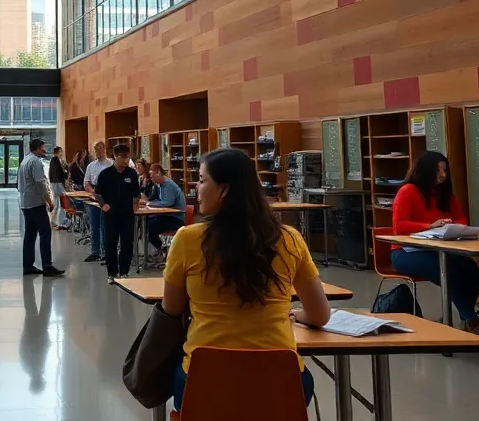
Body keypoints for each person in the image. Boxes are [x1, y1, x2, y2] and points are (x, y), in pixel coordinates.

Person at [163, 149, 330, 411]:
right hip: (279, 383)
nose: (196, 186)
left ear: (224, 190)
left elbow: (171, 309)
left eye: (203, 179)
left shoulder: (187, 240)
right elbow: (320, 315)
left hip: (205, 381)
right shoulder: (290, 240)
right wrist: (296, 314)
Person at [390, 151, 479, 334]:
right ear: (425, 171)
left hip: (439, 250)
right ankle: (470, 319)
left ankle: (467, 316)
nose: (442, 175)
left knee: (470, 267)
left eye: (445, 170)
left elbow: (461, 219)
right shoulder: (408, 191)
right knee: (449, 270)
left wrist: (456, 227)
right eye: (437, 171)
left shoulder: (445, 195)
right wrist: (429, 226)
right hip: (405, 252)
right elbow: (399, 226)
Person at [94, 142, 141, 282]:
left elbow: (136, 194)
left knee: (127, 242)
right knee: (111, 243)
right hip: (110, 215)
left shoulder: (131, 173)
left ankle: (124, 271)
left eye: (128, 157)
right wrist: (103, 205)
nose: (126, 160)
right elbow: (97, 194)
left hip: (127, 214)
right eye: (123, 157)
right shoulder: (106, 174)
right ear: (115, 156)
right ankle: (112, 273)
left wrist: (135, 206)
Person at [17, 138, 65, 277]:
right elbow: (40, 183)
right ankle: (47, 265)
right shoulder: (36, 162)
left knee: (30, 234)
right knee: (45, 232)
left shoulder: (25, 160)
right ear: (38, 148)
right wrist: (49, 200)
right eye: (43, 147)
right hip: (36, 203)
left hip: (25, 202)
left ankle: (28, 265)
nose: (45, 150)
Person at [145, 164, 186, 254]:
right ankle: (159, 251)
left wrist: (150, 204)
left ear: (158, 173)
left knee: (151, 227)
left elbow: (167, 203)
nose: (151, 178)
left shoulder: (168, 185)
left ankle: (163, 250)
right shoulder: (160, 185)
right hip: (168, 216)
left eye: (152, 175)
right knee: (147, 222)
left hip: (177, 218)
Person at [82, 141, 112, 263]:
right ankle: (95, 252)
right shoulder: (91, 166)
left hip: (107, 196)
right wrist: (93, 192)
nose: (98, 151)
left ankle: (105, 253)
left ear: (104, 149)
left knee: (105, 226)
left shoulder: (111, 164)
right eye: (96, 149)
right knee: (94, 225)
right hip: (94, 195)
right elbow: (86, 182)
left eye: (100, 149)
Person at [48, 146, 70, 230]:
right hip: (58, 183)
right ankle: (59, 222)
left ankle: (55, 221)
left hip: (54, 183)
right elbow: (59, 171)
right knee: (61, 203)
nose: (62, 153)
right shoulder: (56, 160)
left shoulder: (52, 160)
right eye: (61, 151)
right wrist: (65, 173)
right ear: (58, 151)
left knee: (58, 203)